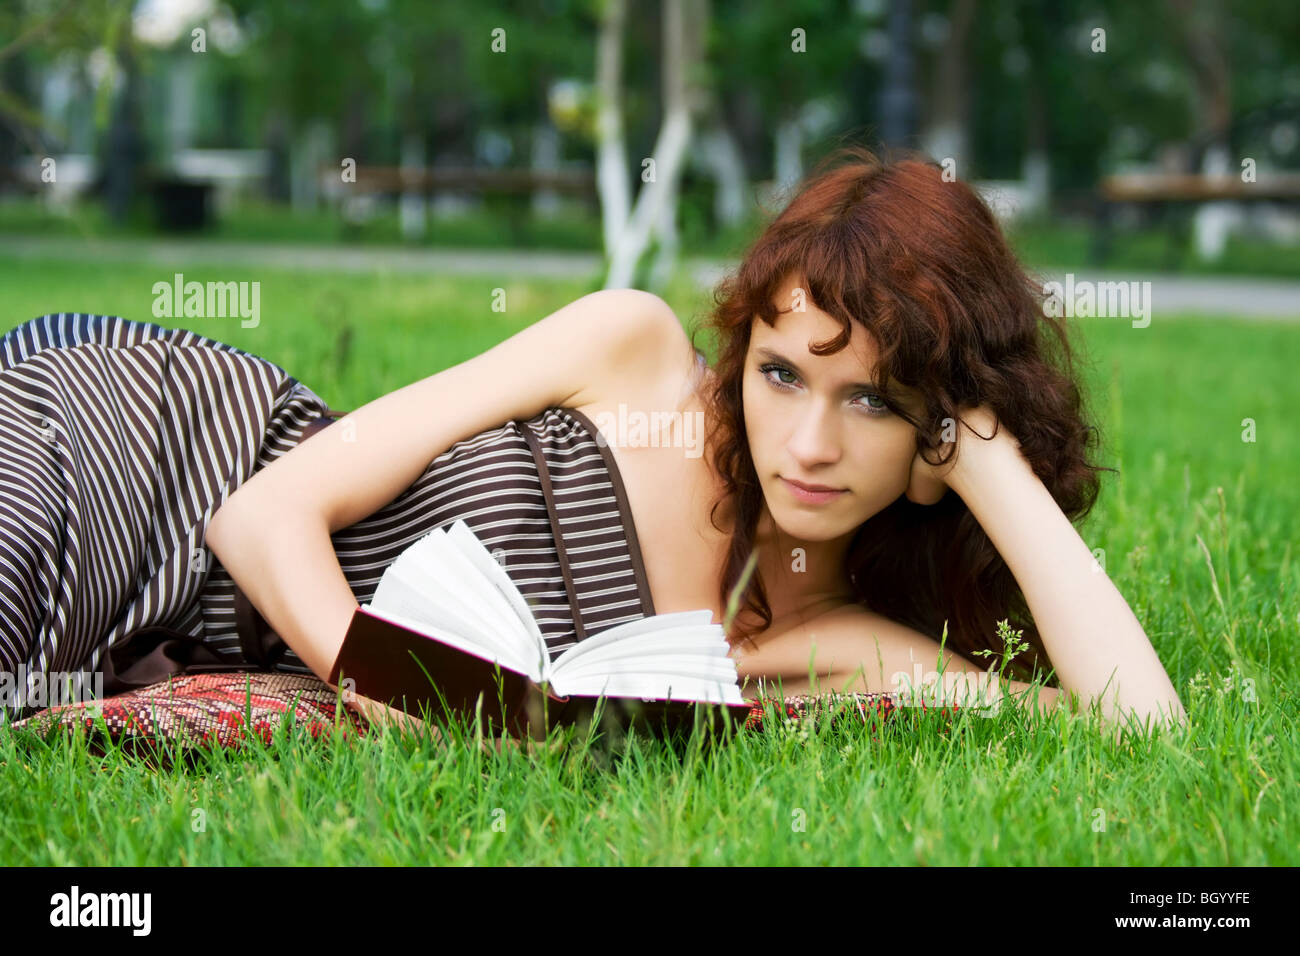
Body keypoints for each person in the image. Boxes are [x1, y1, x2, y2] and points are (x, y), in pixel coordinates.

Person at [0, 147, 1186, 735]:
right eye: (782, 373)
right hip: (147, 445)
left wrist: (986, 454)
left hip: (194, 618)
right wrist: (399, 698)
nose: (808, 438)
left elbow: (1143, 728)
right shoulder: (633, 353)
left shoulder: (846, 646)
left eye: (873, 399)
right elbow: (257, 514)